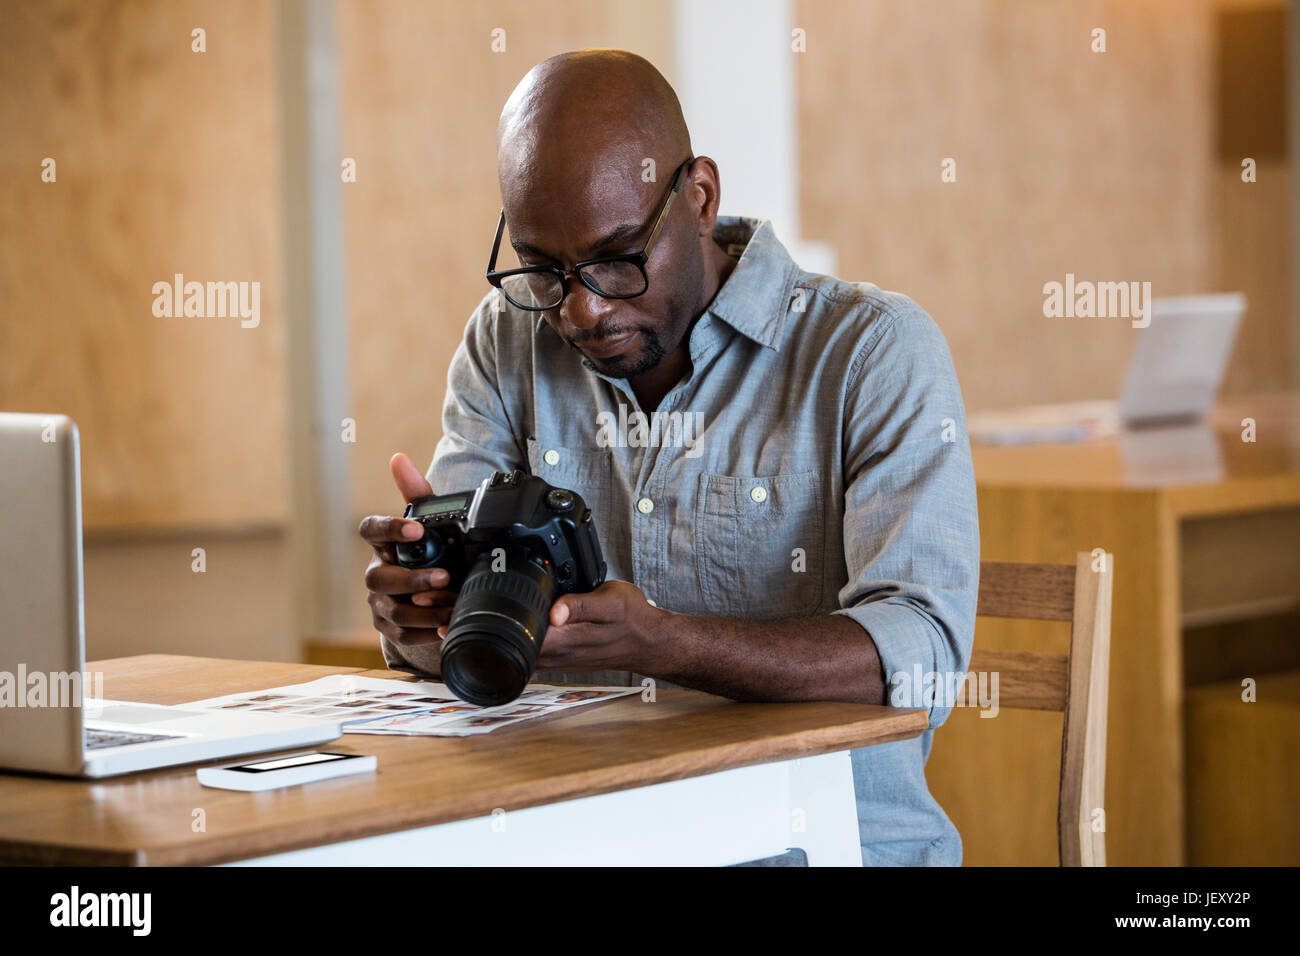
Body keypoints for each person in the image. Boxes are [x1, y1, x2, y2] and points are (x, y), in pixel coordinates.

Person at [359, 49, 980, 866]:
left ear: (699, 197)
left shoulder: (872, 353)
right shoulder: (508, 342)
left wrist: (667, 645)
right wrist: (421, 615)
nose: (582, 308)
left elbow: (922, 654)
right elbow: (463, 636)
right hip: (576, 842)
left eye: (617, 257)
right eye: (545, 269)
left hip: (819, 849)